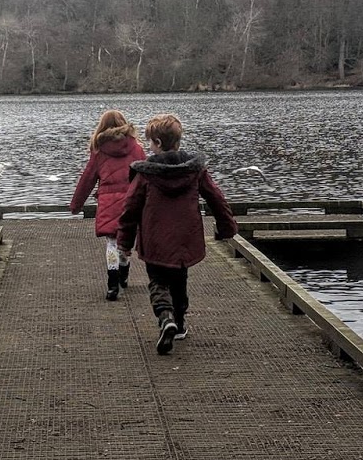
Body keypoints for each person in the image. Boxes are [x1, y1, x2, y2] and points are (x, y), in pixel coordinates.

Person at [117, 113, 238, 355]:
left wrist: (124, 242)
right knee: (180, 279)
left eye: (150, 142)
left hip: (154, 239)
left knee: (158, 281)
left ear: (158, 144)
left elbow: (130, 209)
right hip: (185, 238)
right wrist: (227, 227)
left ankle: (165, 317)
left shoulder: (146, 174)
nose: (149, 146)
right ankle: (180, 324)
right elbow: (216, 198)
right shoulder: (195, 171)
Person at [68, 110, 146, 300]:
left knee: (111, 242)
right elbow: (146, 175)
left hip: (108, 202)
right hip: (131, 202)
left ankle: (112, 285)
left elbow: (87, 179)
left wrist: (76, 204)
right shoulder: (136, 148)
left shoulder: (99, 151)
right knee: (127, 240)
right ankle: (124, 273)